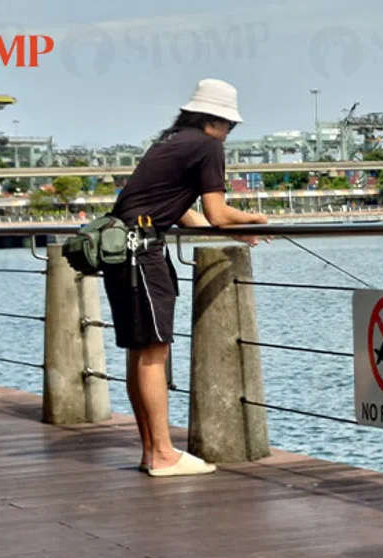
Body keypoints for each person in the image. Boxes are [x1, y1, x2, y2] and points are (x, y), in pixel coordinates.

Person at [101, 78, 268, 477]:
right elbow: (216, 212)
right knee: (153, 352)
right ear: (218, 121)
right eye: (230, 126)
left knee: (139, 352)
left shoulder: (172, 141)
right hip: (142, 252)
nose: (228, 134)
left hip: (122, 247)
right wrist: (254, 219)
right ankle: (162, 454)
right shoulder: (207, 147)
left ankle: (151, 451)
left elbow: (180, 211)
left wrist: (230, 229)